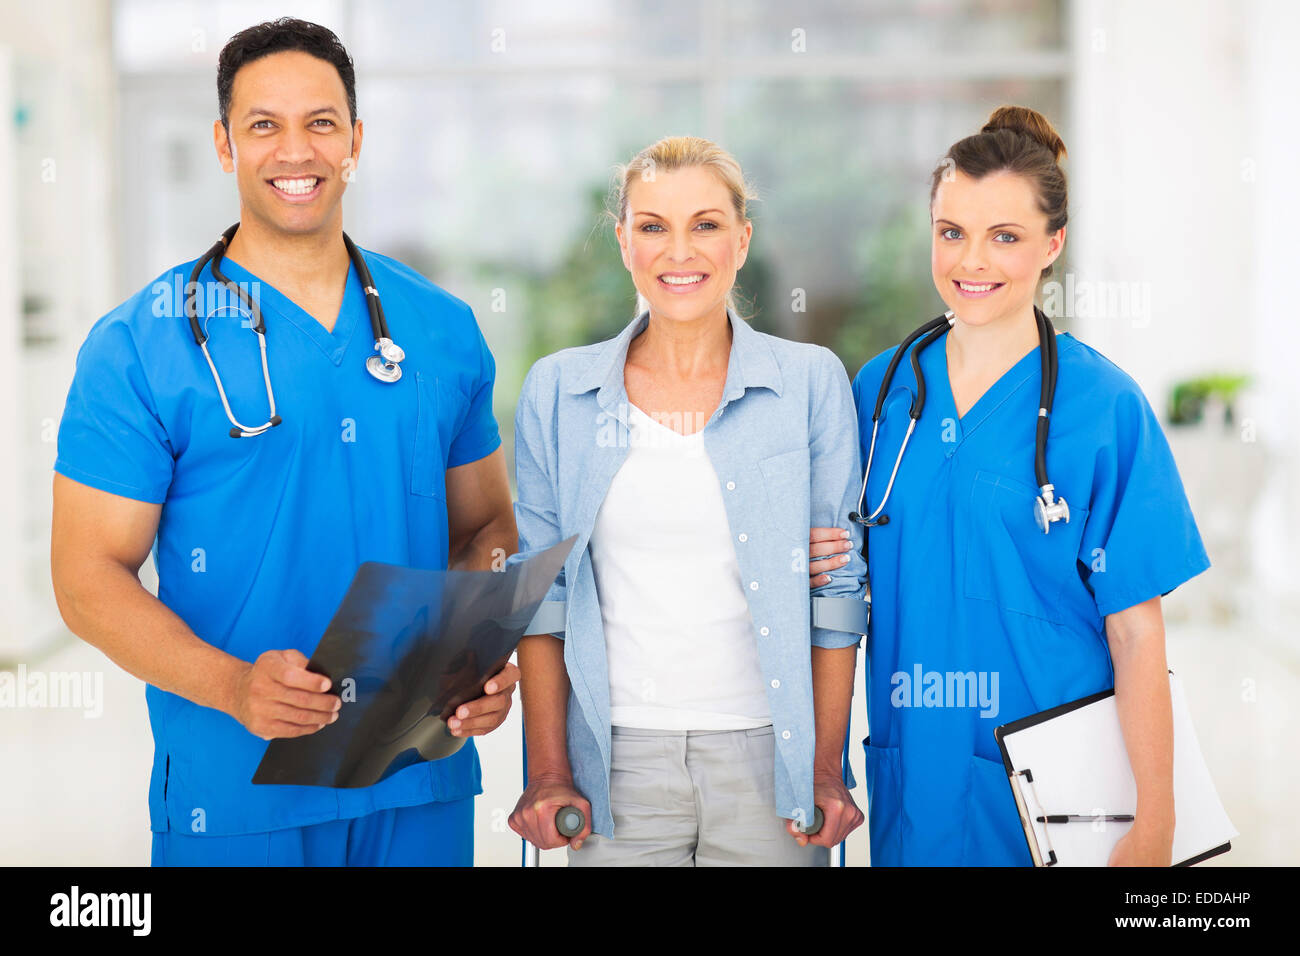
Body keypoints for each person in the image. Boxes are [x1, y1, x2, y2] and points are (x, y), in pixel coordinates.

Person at [49, 18, 519, 867]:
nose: (294, 150)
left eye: (321, 122)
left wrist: (473, 657)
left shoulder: (442, 330)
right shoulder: (142, 344)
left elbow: (485, 529)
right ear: (226, 145)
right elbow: (86, 578)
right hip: (236, 790)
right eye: (264, 124)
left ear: (355, 141)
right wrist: (230, 686)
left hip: (417, 777)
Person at [808, 106, 1210, 866]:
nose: (972, 261)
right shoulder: (879, 394)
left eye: (1006, 236)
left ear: (1053, 243)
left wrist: (1156, 818)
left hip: (1059, 785)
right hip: (915, 770)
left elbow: (1135, 630)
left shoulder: (1104, 408)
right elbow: (838, 569)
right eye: (951, 231)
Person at [506, 136, 869, 866]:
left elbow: (837, 592)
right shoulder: (559, 392)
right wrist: (547, 772)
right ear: (623, 242)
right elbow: (542, 596)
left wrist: (823, 768)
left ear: (742, 239)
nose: (681, 251)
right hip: (616, 763)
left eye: (705, 224)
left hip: (771, 758)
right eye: (653, 226)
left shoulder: (808, 384)